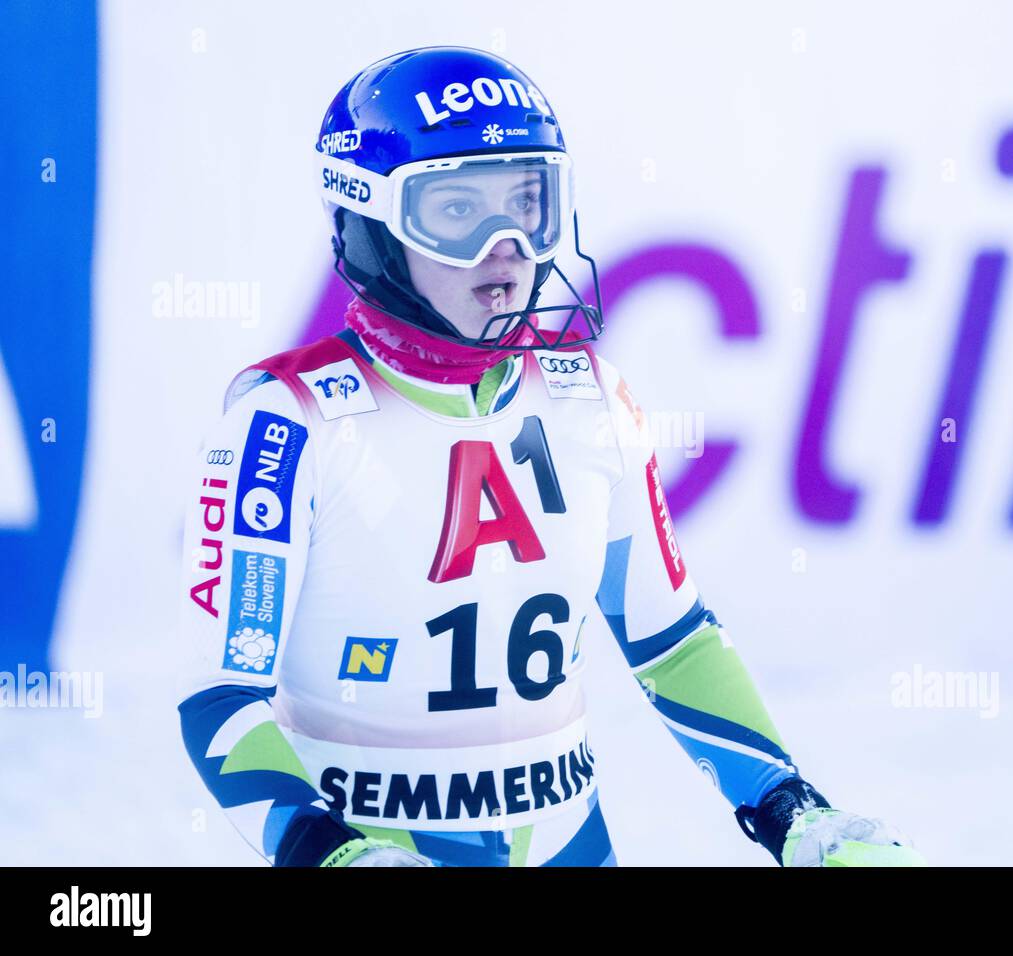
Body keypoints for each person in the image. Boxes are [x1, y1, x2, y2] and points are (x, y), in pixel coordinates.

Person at [175, 45, 925, 868]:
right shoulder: (287, 424)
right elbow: (220, 697)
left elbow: (672, 640)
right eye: (456, 210)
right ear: (371, 222)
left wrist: (793, 812)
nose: (507, 246)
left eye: (528, 204)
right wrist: (334, 855)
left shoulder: (589, 400)